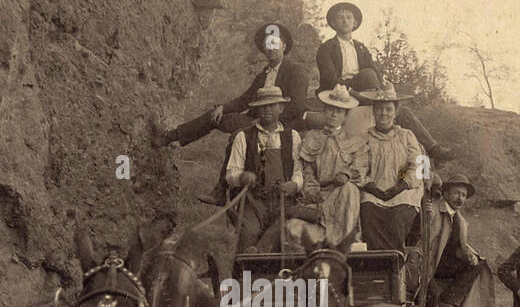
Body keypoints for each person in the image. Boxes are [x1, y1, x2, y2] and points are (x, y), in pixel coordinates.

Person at [315, 2, 451, 161]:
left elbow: (376, 73)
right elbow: (330, 79)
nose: (345, 20)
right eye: (340, 17)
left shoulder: (361, 48)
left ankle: (434, 149)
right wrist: (352, 91)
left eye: (348, 17)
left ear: (355, 23)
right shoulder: (327, 48)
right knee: (367, 75)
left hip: (363, 91)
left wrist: (385, 87)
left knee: (402, 110)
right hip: (339, 93)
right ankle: (378, 102)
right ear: (333, 23)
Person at [156, 22, 310, 150]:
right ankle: (170, 137)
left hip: (283, 125)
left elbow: (297, 106)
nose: (271, 48)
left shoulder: (295, 71)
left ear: (284, 45)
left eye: (275, 43)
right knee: (215, 116)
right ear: (263, 49)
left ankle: (224, 183)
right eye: (267, 45)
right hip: (254, 121)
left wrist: (268, 121)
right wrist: (223, 107)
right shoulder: (263, 75)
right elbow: (245, 100)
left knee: (237, 139)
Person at [223, 85, 304, 251]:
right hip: (254, 201)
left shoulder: (293, 136)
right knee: (247, 233)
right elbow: (231, 174)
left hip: (284, 201)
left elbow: (298, 172)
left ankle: (258, 254)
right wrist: (242, 177)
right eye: (262, 106)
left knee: (286, 232)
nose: (266, 110)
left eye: (271, 105)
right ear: (257, 109)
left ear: (280, 108)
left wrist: (294, 185)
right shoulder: (243, 136)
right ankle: (243, 274)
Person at [357, 81, 427, 252]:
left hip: (402, 191)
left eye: (388, 109)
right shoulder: (365, 137)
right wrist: (371, 187)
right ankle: (375, 266)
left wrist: (401, 185)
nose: (383, 113)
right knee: (368, 213)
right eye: (380, 108)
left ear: (395, 112)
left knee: (396, 218)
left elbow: (417, 166)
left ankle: (395, 266)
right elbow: (359, 167)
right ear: (373, 111)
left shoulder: (406, 136)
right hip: (374, 191)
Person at [298, 83, 366, 246]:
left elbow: (361, 167)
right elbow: (306, 170)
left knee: (349, 190)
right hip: (317, 194)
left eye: (339, 110)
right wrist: (312, 189)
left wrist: (346, 174)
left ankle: (343, 244)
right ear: (324, 111)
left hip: (341, 193)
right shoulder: (311, 138)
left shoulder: (354, 141)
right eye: (330, 109)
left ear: (345, 115)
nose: (333, 114)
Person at [421, 174, 487, 307]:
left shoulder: (461, 221)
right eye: (457, 193)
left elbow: (461, 244)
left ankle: (448, 302)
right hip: (429, 262)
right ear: (445, 193)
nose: (460, 198)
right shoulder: (434, 210)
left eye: (463, 195)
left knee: (480, 263)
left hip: (444, 264)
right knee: (430, 294)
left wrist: (470, 254)